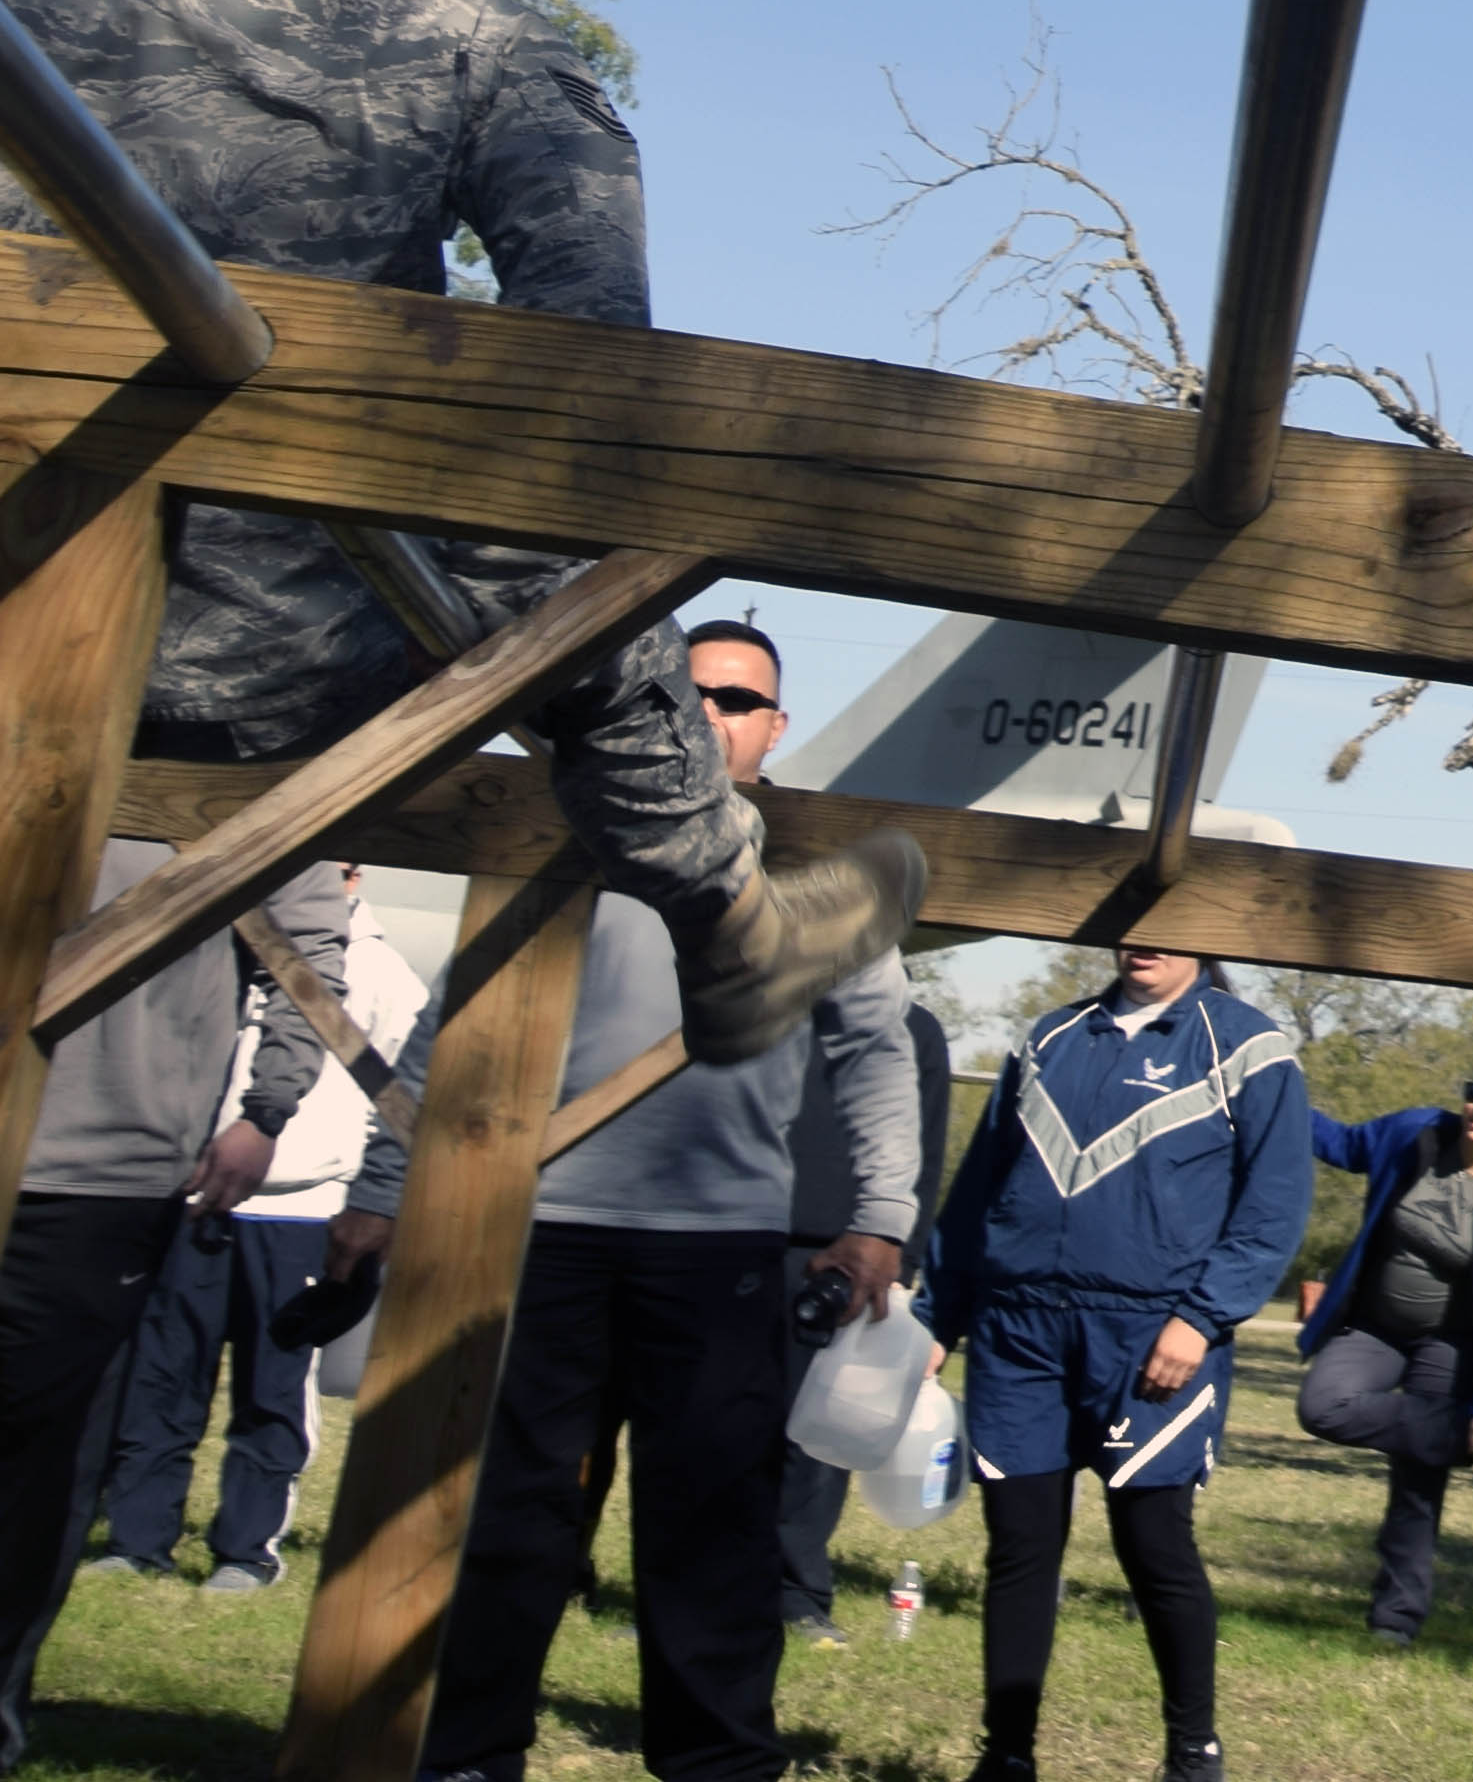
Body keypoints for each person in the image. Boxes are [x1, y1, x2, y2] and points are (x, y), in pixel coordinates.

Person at [0, 0, 921, 1051]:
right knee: (566, 520)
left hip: (15, 562)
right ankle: (727, 911)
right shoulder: (488, 46)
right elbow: (592, 359)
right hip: (304, 654)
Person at [325, 613, 925, 1782]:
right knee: (511, 1515)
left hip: (721, 1246)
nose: (712, 713)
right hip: (540, 1233)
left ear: (775, 728)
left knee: (709, 1522)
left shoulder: (814, 877)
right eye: (690, 692)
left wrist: (880, 1216)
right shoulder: (565, 851)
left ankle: (716, 1763)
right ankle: (465, 1752)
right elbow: (445, 1032)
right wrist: (382, 1186)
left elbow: (880, 1052)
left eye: (740, 700)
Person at [925, 945, 1312, 1782]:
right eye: (1134, 920)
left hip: (1152, 1340)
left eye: (1172, 925)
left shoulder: (1248, 1045)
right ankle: (1007, 1756)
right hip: (1018, 1332)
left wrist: (1200, 1318)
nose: (1148, 938)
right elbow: (975, 1191)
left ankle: (1192, 1752)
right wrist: (938, 1316)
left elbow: (1274, 1202)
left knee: (1153, 1547)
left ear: (1209, 939)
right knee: (1019, 1549)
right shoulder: (1051, 1035)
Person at [0, 843, 346, 1758]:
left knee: (41, 1455)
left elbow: (309, 959)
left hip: (104, 1168)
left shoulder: (267, 776)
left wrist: (265, 1109)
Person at [91, 865, 409, 1594]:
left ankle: (246, 1550)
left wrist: (370, 1201)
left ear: (354, 876)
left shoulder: (385, 974)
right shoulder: (230, 942)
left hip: (303, 1211)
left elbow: (399, 1101)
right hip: (200, 1201)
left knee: (274, 1390)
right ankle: (139, 1539)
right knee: (164, 1377)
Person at [1298, 1049, 1473, 1645]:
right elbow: (1341, 1142)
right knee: (1321, 1405)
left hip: (1449, 1342)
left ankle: (1396, 1620)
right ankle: (1448, 1430)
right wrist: (1274, 1096)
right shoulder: (1416, 1134)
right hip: (1376, 1329)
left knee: (1417, 1485)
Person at [783, 976, 962, 1645]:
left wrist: (902, 1263)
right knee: (718, 1429)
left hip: (852, 1254)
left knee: (821, 1434)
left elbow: (926, 1154)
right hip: (739, 1240)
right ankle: (693, 1594)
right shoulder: (759, 1003)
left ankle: (797, 1593)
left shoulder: (913, 1029)